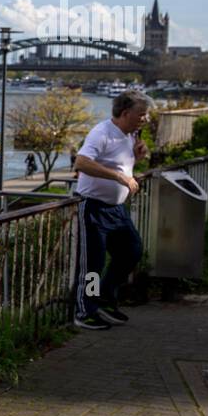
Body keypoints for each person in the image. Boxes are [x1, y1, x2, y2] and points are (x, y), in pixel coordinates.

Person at [73, 90, 151, 330]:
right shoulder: (102, 133)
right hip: (93, 207)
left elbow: (119, 165)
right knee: (93, 265)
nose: (146, 119)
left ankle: (105, 300)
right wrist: (119, 177)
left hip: (116, 209)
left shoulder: (129, 135)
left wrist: (135, 159)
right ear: (126, 113)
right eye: (142, 114)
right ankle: (85, 311)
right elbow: (82, 162)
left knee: (132, 250)